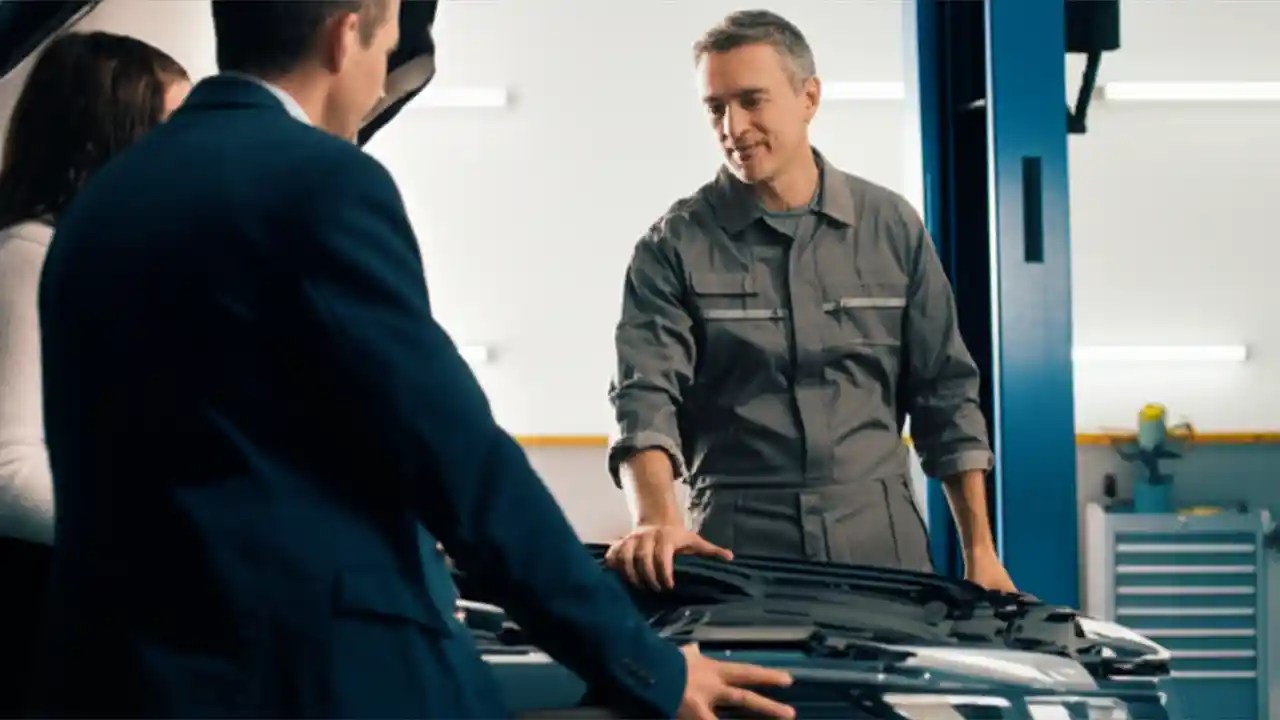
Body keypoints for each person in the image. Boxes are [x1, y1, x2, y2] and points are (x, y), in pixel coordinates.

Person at [30, 2, 795, 719]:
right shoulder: (323, 183)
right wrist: (646, 665)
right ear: (345, 34)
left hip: (114, 679)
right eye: (389, 46)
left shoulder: (100, 207)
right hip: (312, 680)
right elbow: (464, 468)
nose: (379, 79)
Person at [604, 10, 1017, 595]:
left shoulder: (890, 227)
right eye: (715, 107)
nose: (733, 125)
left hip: (881, 539)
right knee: (753, 687)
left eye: (752, 100)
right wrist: (656, 518)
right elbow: (644, 397)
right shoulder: (674, 245)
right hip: (738, 543)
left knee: (895, 688)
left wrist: (981, 554)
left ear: (809, 97)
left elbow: (944, 393)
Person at [0, 30, 189, 717]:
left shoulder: (86, 262)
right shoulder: (29, 257)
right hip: (34, 622)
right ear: (109, 140)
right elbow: (9, 473)